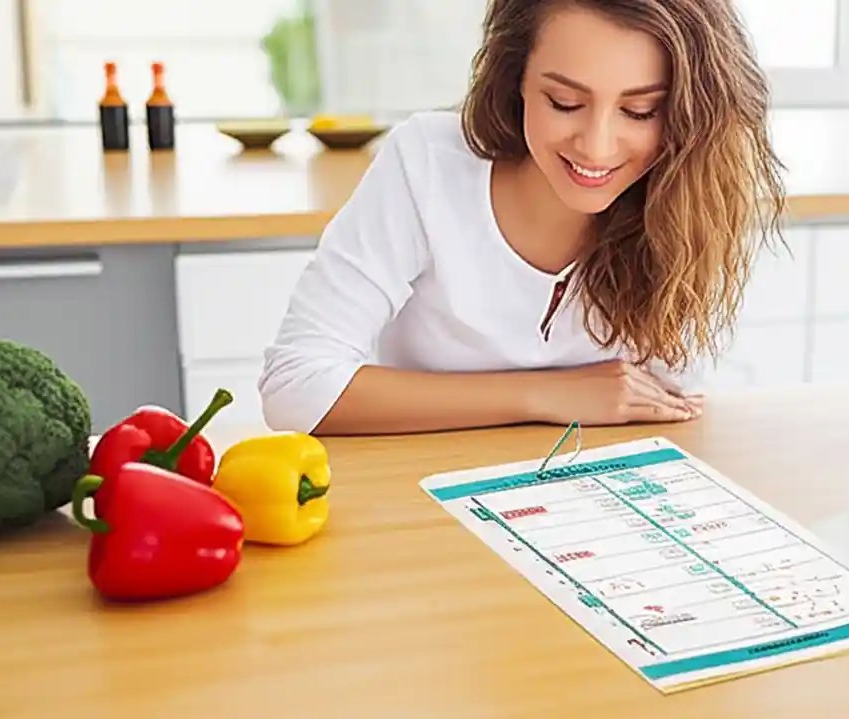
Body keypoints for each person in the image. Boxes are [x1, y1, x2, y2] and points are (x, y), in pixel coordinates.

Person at [258, 0, 787, 436]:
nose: (597, 147)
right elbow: (296, 388)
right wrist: (547, 394)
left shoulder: (688, 192)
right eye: (563, 102)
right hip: (420, 492)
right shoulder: (427, 165)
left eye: (640, 112)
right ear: (516, 80)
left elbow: (672, 407)